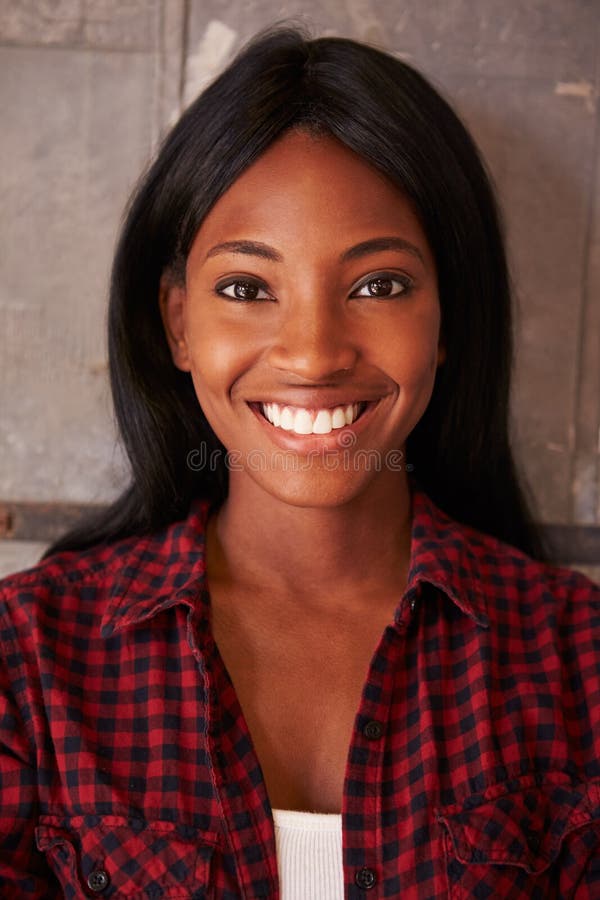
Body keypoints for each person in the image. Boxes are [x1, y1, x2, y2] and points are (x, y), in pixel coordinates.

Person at [0, 23, 598, 900]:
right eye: (246, 289)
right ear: (177, 323)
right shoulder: (30, 667)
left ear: (448, 321)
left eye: (378, 286)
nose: (314, 354)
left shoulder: (578, 665)